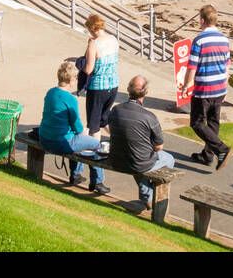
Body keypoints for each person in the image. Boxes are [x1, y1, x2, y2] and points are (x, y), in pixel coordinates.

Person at [40, 60, 107, 194]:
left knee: (79, 140)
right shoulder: (70, 99)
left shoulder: (50, 92)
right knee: (95, 144)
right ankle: (97, 181)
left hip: (44, 137)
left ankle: (76, 174)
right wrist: (84, 132)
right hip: (59, 142)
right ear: (71, 81)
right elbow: (77, 127)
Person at [108, 76, 174, 208]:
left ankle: (147, 197)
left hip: (116, 159)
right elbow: (159, 146)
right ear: (146, 92)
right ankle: (156, 202)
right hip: (136, 162)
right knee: (169, 159)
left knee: (136, 156)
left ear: (128, 89)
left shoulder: (116, 110)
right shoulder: (149, 117)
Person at [182, 4, 231, 169]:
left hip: (204, 89)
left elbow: (192, 67)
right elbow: (227, 65)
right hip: (219, 87)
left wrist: (186, 86)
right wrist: (224, 87)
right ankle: (207, 156)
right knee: (213, 123)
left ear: (202, 20)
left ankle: (222, 149)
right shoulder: (224, 40)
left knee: (197, 123)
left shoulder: (199, 41)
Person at [82, 13, 119, 138]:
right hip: (113, 85)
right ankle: (120, 140)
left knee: (94, 125)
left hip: (98, 87)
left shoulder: (94, 44)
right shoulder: (113, 39)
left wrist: (79, 65)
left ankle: (95, 148)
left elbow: (88, 69)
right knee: (104, 118)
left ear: (92, 29)